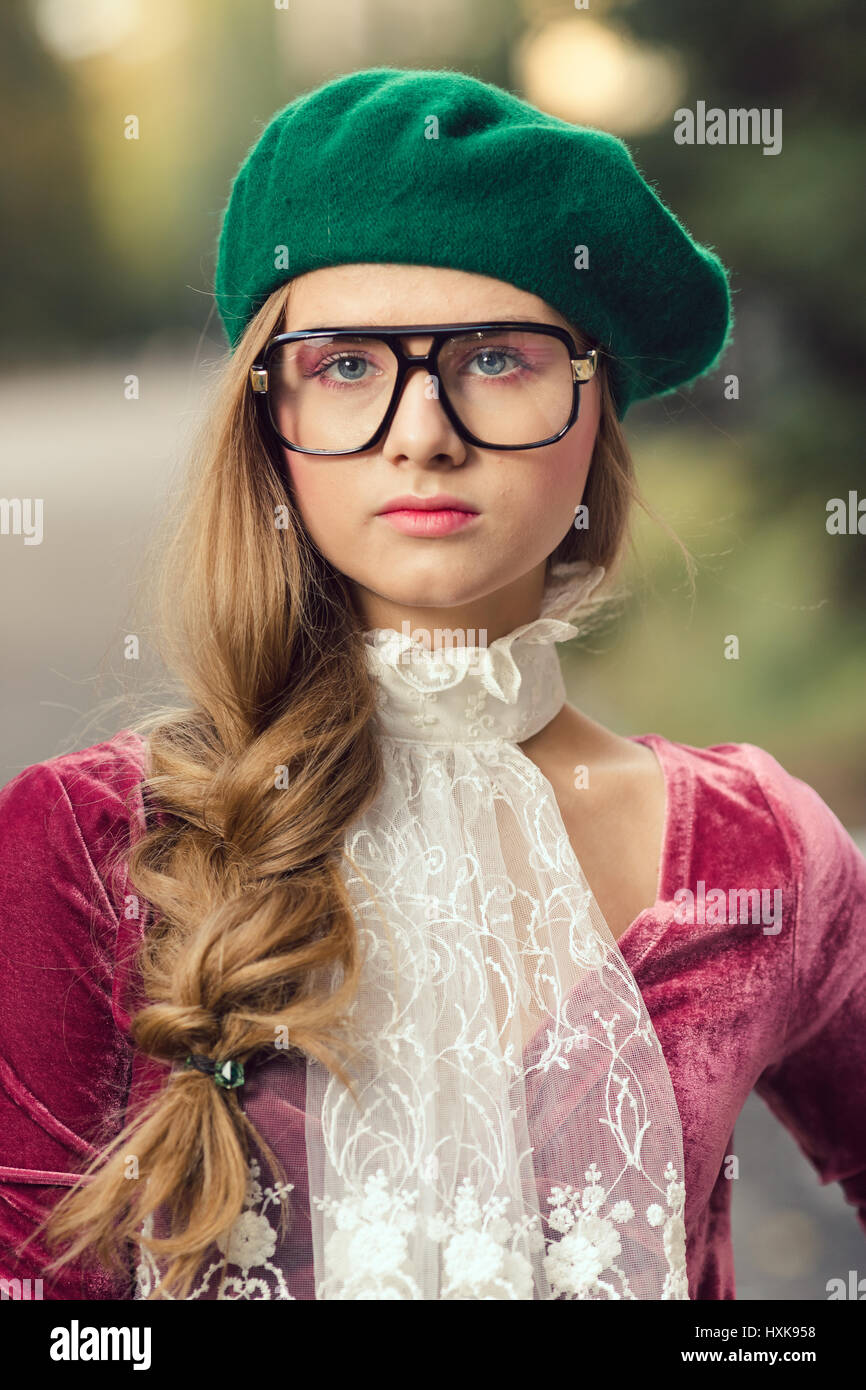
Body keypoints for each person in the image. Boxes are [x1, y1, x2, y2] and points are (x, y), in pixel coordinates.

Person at [1, 67, 864, 1302]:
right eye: (347, 366)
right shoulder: (84, 846)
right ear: (270, 422)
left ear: (594, 417)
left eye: (497, 358)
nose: (422, 431)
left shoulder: (753, 852)